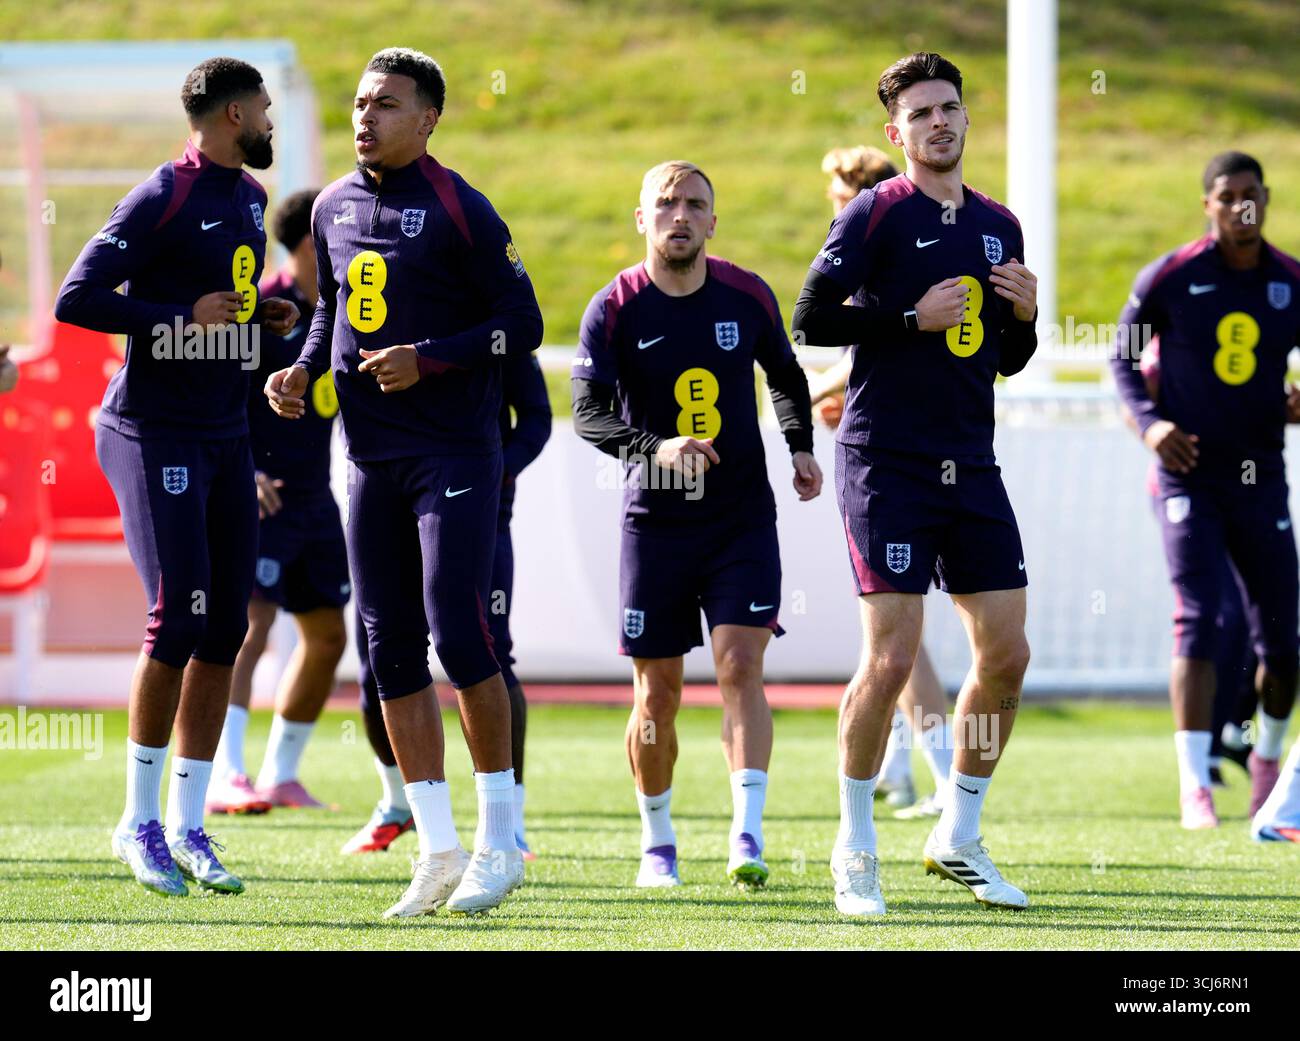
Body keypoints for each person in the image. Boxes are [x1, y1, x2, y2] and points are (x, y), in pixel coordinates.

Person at [264, 48, 544, 916]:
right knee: (383, 651)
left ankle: (501, 841)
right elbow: (335, 307)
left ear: (427, 119)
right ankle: (436, 846)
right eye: (359, 102)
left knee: (461, 639)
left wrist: (431, 358)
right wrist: (306, 370)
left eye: (386, 104)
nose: (365, 117)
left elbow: (523, 323)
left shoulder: (462, 207)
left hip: (453, 454)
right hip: (369, 456)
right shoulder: (336, 206)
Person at [793, 52, 1039, 916]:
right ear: (896, 133)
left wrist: (1026, 318)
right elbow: (810, 314)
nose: (940, 122)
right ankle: (854, 841)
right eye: (922, 113)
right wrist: (907, 317)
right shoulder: (873, 213)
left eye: (951, 108)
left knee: (1006, 654)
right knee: (893, 657)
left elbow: (1005, 360)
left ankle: (958, 833)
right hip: (885, 460)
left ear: (966, 118)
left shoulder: (1000, 224)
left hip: (970, 460)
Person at [54, 57, 299, 896]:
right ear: (234, 114)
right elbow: (77, 298)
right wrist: (173, 317)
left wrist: (262, 323)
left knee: (224, 627)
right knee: (178, 619)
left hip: (223, 431)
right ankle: (139, 819)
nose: (272, 122)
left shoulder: (252, 199)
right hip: (151, 432)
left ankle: (193, 826)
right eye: (264, 110)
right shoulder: (163, 193)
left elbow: (218, 318)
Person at [572, 160, 820, 888]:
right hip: (656, 525)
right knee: (659, 693)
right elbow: (588, 413)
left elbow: (785, 374)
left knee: (742, 664)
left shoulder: (746, 294)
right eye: (665, 203)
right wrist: (656, 450)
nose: (679, 215)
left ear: (714, 220)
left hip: (741, 516)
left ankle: (747, 834)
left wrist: (800, 446)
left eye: (694, 204)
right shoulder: (614, 306)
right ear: (641, 218)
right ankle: (658, 840)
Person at [1111, 151, 1300, 829]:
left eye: (1251, 195)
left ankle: (1269, 764)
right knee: (1201, 613)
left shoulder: (1289, 281)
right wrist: (1153, 424)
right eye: (1226, 196)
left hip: (1261, 478)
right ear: (1208, 205)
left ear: (1266, 200)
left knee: (1283, 641)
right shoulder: (1172, 275)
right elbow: (1121, 358)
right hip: (1187, 473)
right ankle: (1194, 783)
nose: (1240, 206)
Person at [343, 351, 551, 856]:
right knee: (381, 658)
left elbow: (537, 417)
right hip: (389, 498)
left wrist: (501, 469)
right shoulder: (375, 311)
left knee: (485, 650)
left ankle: (508, 819)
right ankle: (399, 803)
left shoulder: (481, 319)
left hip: (475, 507)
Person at [808, 144, 954, 819]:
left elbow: (878, 341)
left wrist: (810, 394)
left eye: (840, 199)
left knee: (898, 636)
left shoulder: (880, 241)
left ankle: (942, 770)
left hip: (901, 460)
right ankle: (903, 766)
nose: (833, 213)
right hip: (895, 449)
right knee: (896, 637)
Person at [207, 189, 351, 816]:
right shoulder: (268, 311)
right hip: (260, 495)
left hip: (317, 501)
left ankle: (279, 773)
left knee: (326, 636)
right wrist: (243, 469)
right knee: (248, 629)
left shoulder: (352, 310)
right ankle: (223, 773)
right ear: (308, 242)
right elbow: (216, 392)